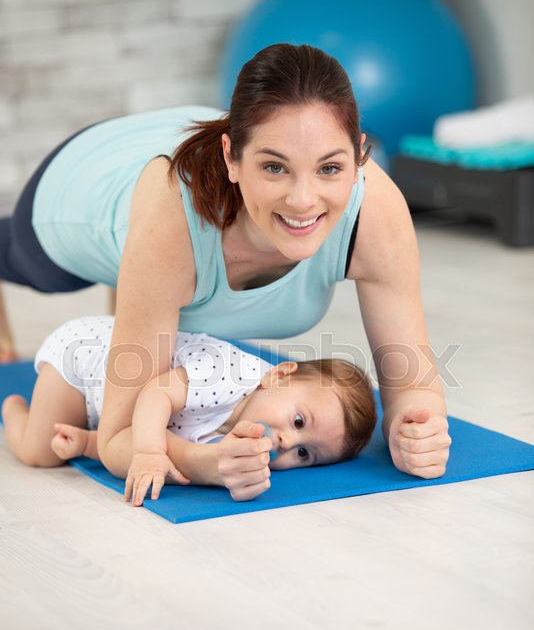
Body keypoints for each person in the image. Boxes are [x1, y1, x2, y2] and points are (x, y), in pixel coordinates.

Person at [0, 43, 451, 484]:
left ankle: (146, 294)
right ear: (231, 159)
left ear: (359, 158)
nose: (303, 199)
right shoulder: (173, 215)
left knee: (154, 304)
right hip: (85, 180)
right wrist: (206, 464)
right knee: (33, 268)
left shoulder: (376, 212)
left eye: (329, 169)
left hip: (174, 177)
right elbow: (119, 438)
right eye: (275, 168)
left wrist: (414, 430)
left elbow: (412, 383)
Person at [1, 317, 377, 506]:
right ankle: (16, 410)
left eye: (304, 453)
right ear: (279, 374)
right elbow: (155, 396)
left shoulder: (240, 435)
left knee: (77, 440)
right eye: (298, 422)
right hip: (86, 359)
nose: (286, 440)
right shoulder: (228, 372)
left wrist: (88, 443)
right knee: (39, 452)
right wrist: (149, 453)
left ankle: (88, 439)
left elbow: (152, 431)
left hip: (115, 409)